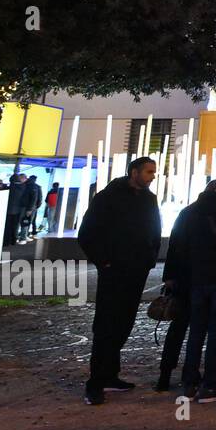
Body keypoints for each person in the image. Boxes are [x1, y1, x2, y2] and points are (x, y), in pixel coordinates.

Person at [77, 156, 162, 405]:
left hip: (136, 271)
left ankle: (110, 375)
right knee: (106, 325)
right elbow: (87, 233)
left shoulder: (149, 199)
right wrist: (104, 261)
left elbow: (154, 229)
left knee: (124, 322)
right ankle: (95, 382)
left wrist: (149, 258)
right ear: (134, 172)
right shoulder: (108, 197)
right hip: (114, 271)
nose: (152, 176)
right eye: (148, 171)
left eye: (154, 172)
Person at [163, 169, 216, 401]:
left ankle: (189, 382)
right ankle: (210, 383)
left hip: (195, 279)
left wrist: (172, 276)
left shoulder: (189, 212)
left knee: (196, 330)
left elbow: (176, 245)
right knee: (215, 332)